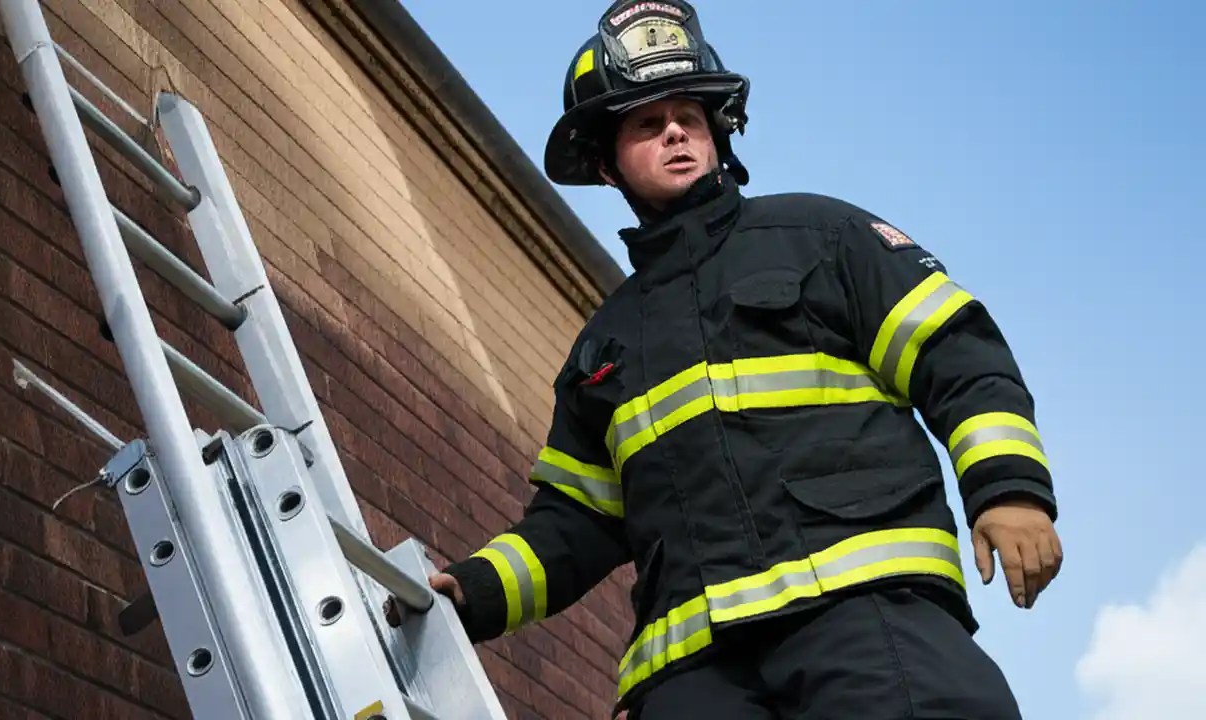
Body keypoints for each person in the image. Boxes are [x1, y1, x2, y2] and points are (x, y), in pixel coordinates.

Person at [386, 2, 1063, 717]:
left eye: (690, 116)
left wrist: (1008, 488)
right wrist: (475, 592)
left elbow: (956, 354)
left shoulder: (823, 237)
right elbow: (573, 522)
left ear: (719, 132)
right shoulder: (602, 350)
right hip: (692, 673)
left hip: (865, 615)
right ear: (606, 164)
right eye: (647, 123)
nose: (676, 130)